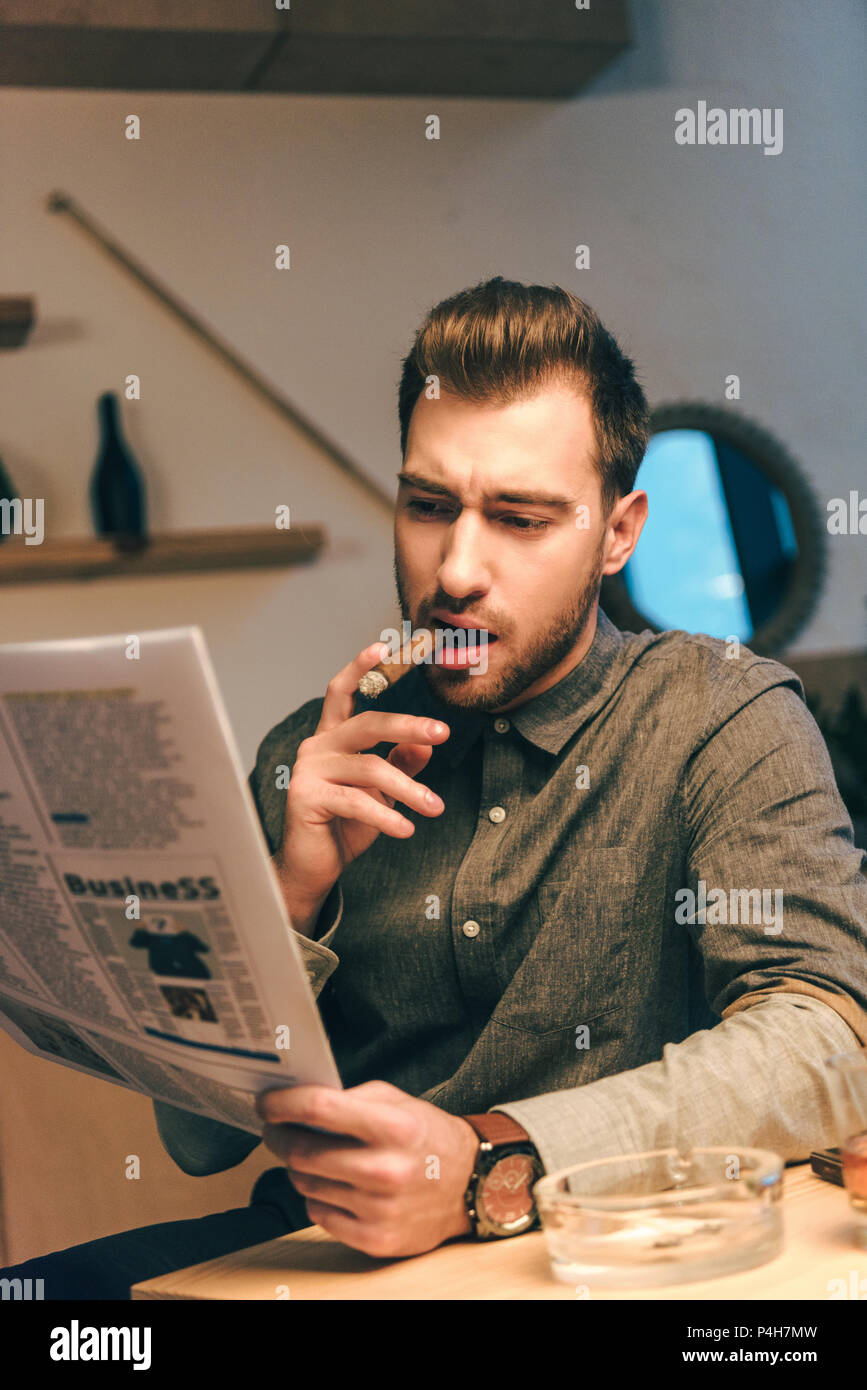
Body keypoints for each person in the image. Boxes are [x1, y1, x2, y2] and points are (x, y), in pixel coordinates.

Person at [4, 277, 865, 1297]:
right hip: (315, 1258)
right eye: (428, 505)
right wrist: (289, 895)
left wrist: (489, 1164)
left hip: (603, 1256)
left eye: (520, 517)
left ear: (619, 532)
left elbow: (827, 1036)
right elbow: (195, 1140)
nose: (456, 568)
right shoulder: (307, 752)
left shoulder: (718, 715)